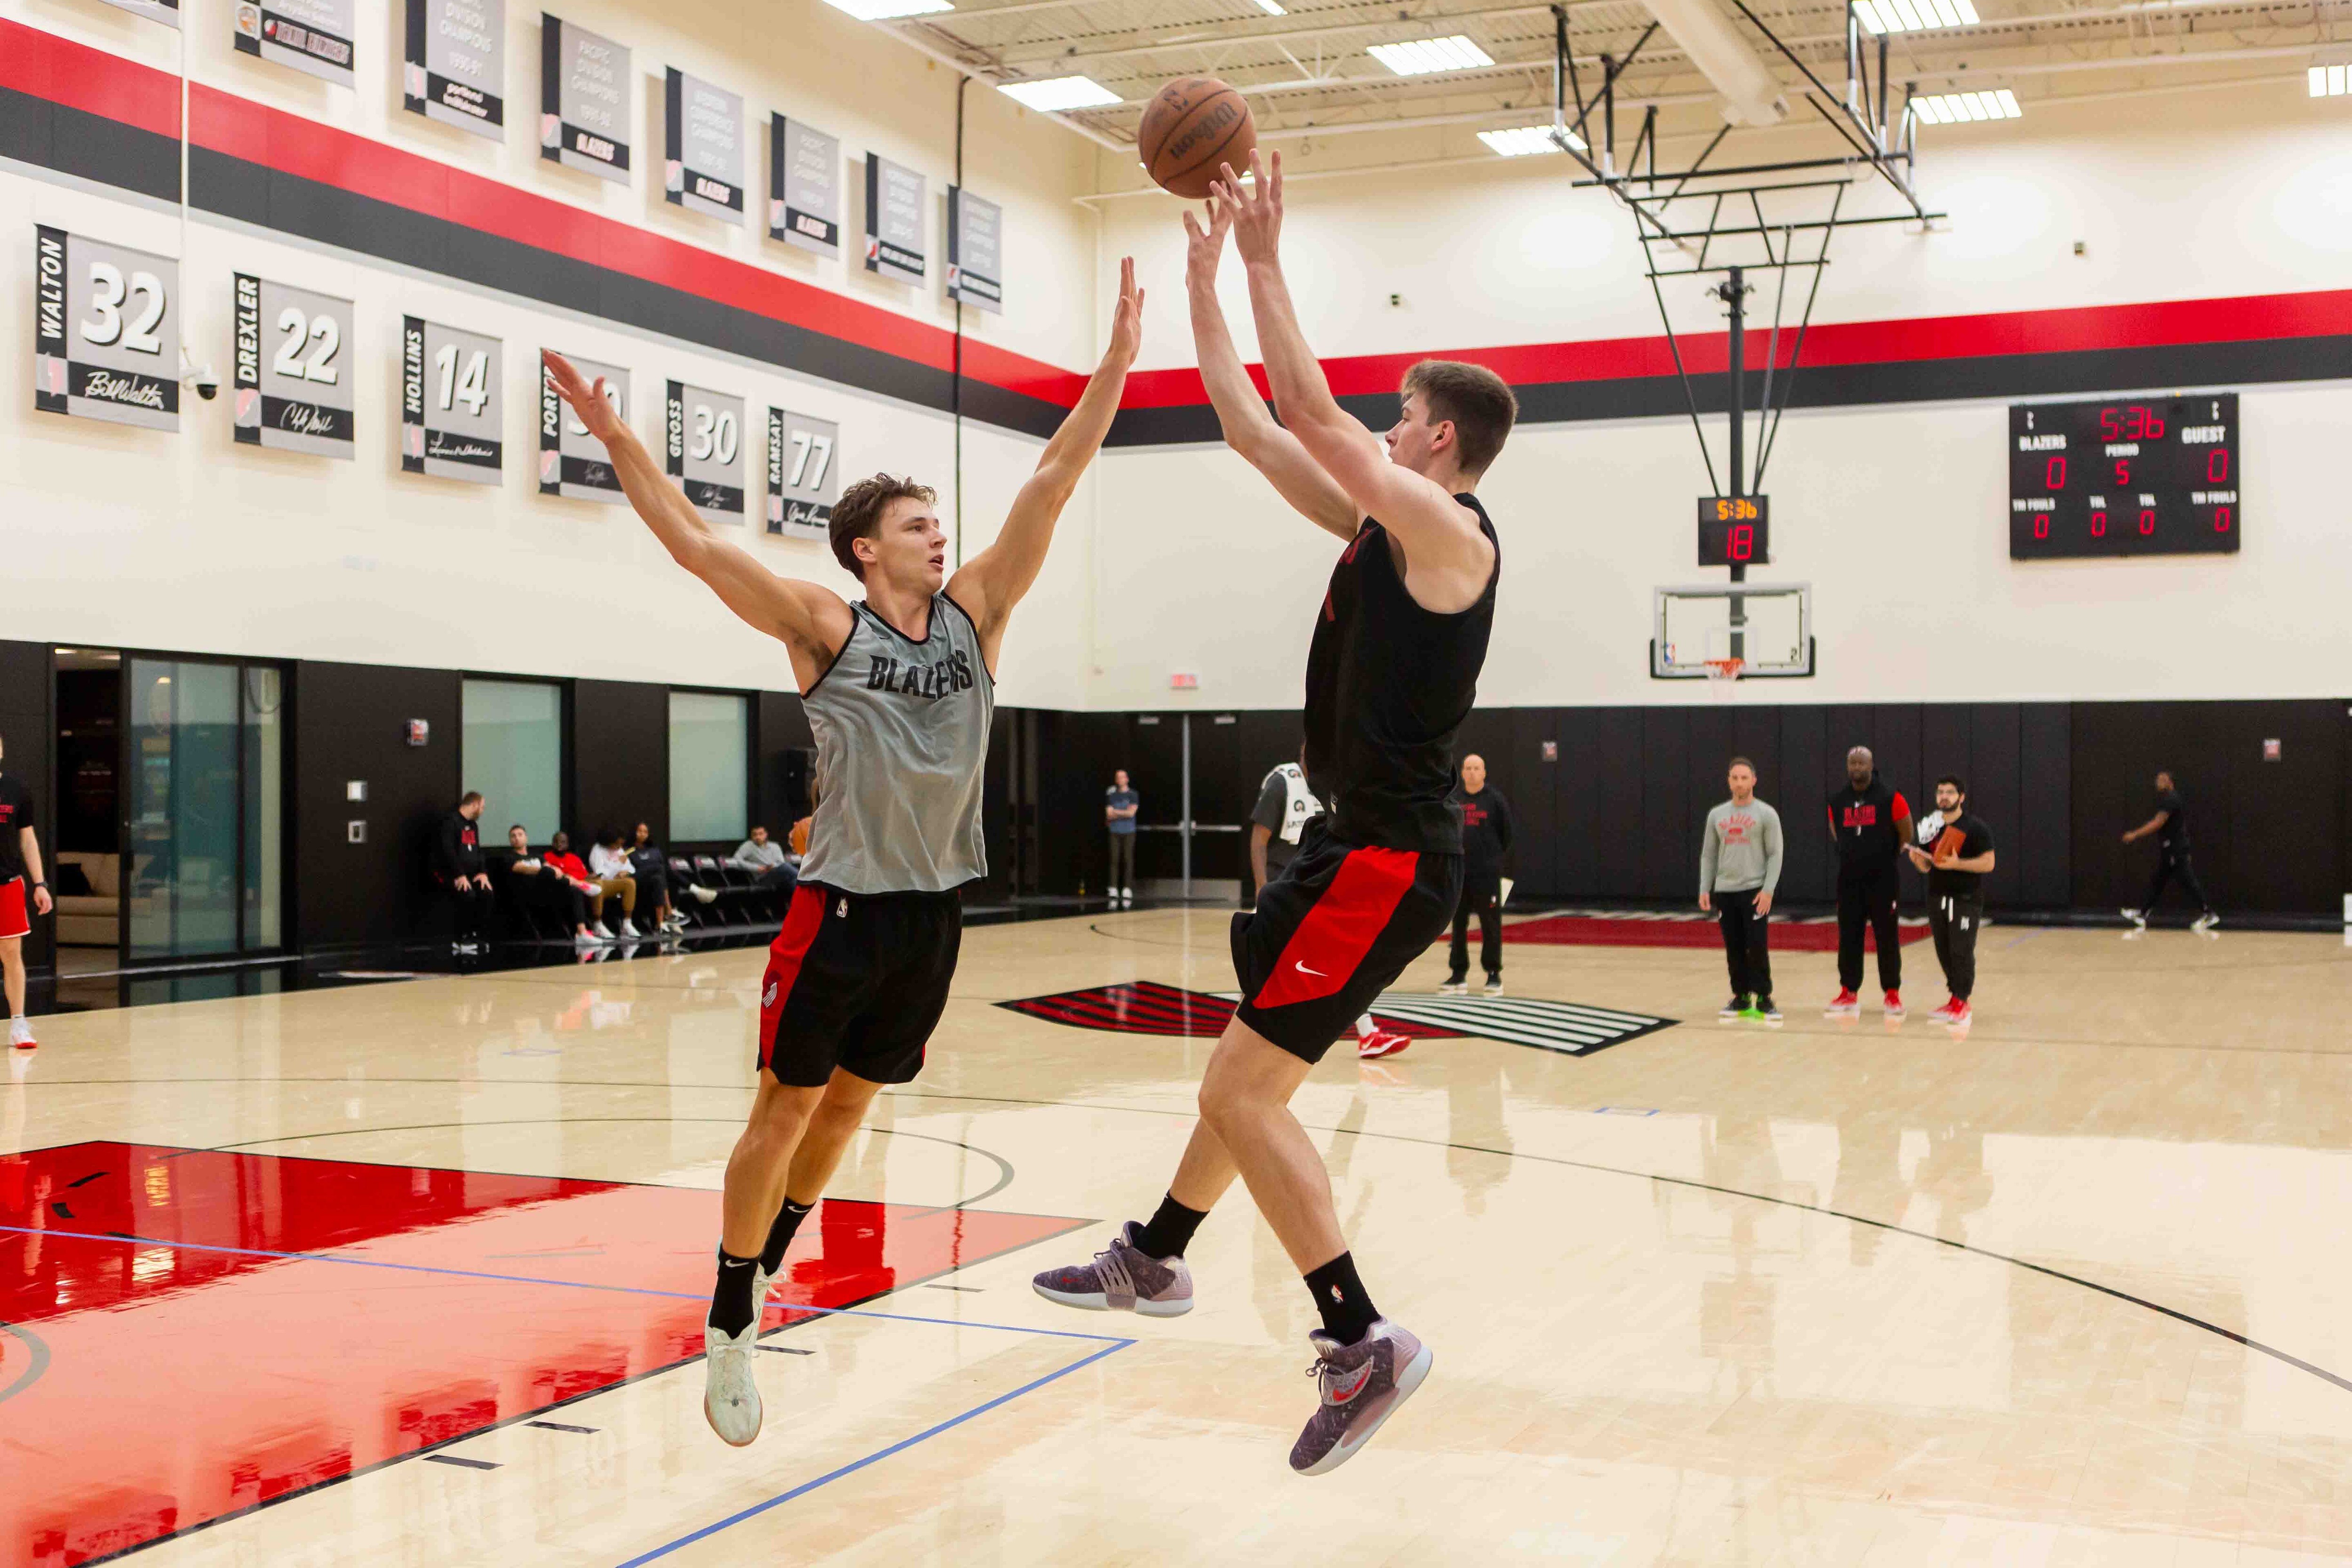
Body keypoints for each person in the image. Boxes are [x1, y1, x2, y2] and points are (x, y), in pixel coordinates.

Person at [545, 252, 1141, 1448]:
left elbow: (1056, 477)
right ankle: (728, 1313)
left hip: (935, 918)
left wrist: (1117, 365)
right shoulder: (826, 627)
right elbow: (697, 549)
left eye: (937, 525)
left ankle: (771, 1257)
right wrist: (618, 440)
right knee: (783, 1109)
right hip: (842, 912)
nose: (938, 536)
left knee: (854, 1105)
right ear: (866, 549)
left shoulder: (978, 613)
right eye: (917, 525)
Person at [1031, 155, 1510, 1476]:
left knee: (1242, 1086)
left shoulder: (1452, 539)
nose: (1384, 421)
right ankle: (1159, 1255)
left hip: (1391, 852)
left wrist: (1260, 254)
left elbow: (1310, 407)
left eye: (1401, 414)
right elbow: (1257, 426)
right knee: (1255, 1072)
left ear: (1439, 440)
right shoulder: (1377, 527)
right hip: (1348, 846)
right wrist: (1204, 292)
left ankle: (1361, 1339)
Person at [1248, 756, 1412, 1062]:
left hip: (1311, 886)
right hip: (1281, 889)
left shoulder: (1333, 788)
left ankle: (1367, 1034)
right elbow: (1259, 838)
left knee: (1334, 962)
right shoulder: (1282, 783)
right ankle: (1252, 1036)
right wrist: (1260, 886)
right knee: (1267, 971)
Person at [1825, 745, 1912, 1018]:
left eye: (1862, 763)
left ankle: (1892, 993)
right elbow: (1837, 834)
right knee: (1849, 937)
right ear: (1847, 766)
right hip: (1849, 881)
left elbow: (1906, 833)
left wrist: (1883, 856)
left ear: (1872, 764)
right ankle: (1848, 992)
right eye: (1852, 763)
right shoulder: (1837, 801)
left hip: (1883, 881)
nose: (1857, 768)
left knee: (1887, 937)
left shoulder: (1891, 797)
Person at [1906, 774, 1997, 1026]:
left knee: (1961, 950)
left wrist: (1959, 864)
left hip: (1966, 899)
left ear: (1961, 797)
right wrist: (1918, 860)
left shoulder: (1976, 828)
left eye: (1949, 792)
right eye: (1940, 792)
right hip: (1937, 897)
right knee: (1944, 950)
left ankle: (1962, 1001)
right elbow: (1926, 867)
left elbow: (1989, 863)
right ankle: (1954, 998)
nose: (1944, 797)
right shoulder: (1930, 826)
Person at [1698, 758, 1784, 1022]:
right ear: (1729, 781)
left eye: (1744, 778)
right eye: (1735, 778)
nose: (1739, 783)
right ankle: (1741, 996)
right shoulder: (1717, 815)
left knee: (1757, 945)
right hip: (1725, 891)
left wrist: (1768, 890)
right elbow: (1709, 855)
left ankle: (1765, 998)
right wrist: (1705, 887)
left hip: (1755, 891)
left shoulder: (1766, 814)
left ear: (1754, 781)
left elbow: (1775, 854)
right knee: (1733, 947)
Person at [1440, 753, 1513, 996]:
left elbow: (1507, 835)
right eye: (1468, 768)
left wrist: (1491, 861)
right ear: (1462, 773)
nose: (1472, 772)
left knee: (1490, 925)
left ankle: (1493, 974)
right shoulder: (1454, 801)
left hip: (1487, 876)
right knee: (1458, 925)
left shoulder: (1495, 800)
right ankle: (1458, 974)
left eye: (1477, 768)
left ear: (1484, 773)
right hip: (1460, 875)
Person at [0, 732, 52, 1051]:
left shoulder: (17, 789)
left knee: (11, 954)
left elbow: (28, 840)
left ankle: (18, 1023)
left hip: (7, 885)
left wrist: (40, 883)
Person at [2121, 770, 2217, 931]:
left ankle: (2209, 914)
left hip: (2176, 849)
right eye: (2157, 779)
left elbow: (2157, 823)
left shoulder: (2172, 800)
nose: (2158, 782)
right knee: (2158, 881)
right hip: (2171, 849)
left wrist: (2135, 834)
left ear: (2170, 782)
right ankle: (2142, 914)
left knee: (2188, 881)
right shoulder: (2169, 800)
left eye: (2162, 780)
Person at [499, 825, 600, 946]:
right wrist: (544, 869)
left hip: (549, 891)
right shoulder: (509, 857)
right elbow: (520, 868)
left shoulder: (537, 856)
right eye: (513, 836)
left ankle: (582, 933)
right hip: (528, 893)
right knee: (547, 871)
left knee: (574, 891)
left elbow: (552, 868)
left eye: (520, 835)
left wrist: (554, 870)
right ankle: (581, 884)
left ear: (526, 838)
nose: (517, 838)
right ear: (510, 840)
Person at [432, 792, 495, 953]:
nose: (483, 810)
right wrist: (459, 875)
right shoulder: (450, 822)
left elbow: (478, 851)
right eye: (482, 807)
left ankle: (477, 935)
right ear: (474, 805)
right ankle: (462, 937)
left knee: (487, 892)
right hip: (451, 874)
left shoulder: (473, 825)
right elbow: (448, 851)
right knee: (467, 894)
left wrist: (483, 873)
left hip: (471, 874)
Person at [541, 831, 618, 939]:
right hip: (562, 888)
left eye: (563, 842)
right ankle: (597, 924)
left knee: (599, 883)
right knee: (583, 888)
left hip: (584, 882)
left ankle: (602, 925)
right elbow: (550, 875)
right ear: (552, 843)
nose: (559, 844)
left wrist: (596, 875)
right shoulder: (547, 857)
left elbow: (586, 876)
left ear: (568, 844)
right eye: (556, 842)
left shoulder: (574, 858)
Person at [585, 829, 644, 938]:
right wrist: (618, 865)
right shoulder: (597, 851)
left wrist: (626, 873)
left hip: (617, 882)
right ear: (608, 842)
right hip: (604, 883)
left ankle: (627, 924)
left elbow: (631, 869)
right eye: (616, 844)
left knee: (630, 883)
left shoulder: (620, 850)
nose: (619, 847)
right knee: (598, 885)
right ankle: (598, 925)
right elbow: (600, 874)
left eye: (621, 844)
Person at [1104, 769, 1138, 904]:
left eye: (1123, 777)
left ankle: (1127, 888)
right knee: (1114, 859)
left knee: (1128, 859)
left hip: (1129, 831)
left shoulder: (1133, 795)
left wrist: (1116, 812)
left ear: (1127, 779)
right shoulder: (1111, 795)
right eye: (1118, 777)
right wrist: (1123, 812)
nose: (1120, 780)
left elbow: (1131, 814)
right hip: (1115, 831)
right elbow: (1108, 814)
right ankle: (1113, 888)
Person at [730, 825, 798, 892]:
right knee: (787, 868)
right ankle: (802, 878)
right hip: (763, 878)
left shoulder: (775, 846)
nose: (758, 837)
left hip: (778, 873)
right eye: (755, 835)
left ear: (766, 835)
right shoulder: (748, 846)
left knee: (793, 881)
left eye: (760, 834)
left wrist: (772, 866)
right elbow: (737, 859)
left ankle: (799, 901)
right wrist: (756, 868)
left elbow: (781, 862)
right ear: (751, 836)